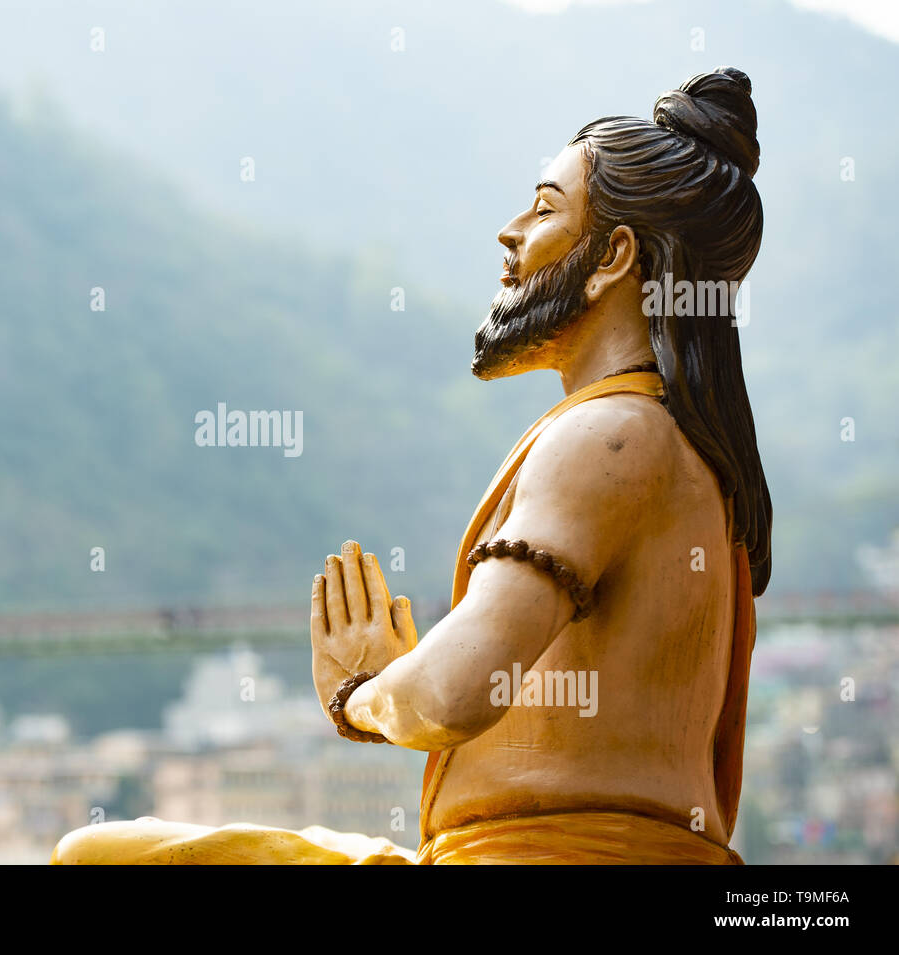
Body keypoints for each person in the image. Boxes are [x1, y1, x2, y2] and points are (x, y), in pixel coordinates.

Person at [51, 66, 770, 865]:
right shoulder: (687, 456)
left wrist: (364, 695)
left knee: (98, 854)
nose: (508, 233)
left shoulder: (609, 438)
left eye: (542, 209)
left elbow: (454, 692)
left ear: (614, 258)